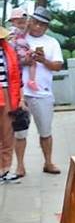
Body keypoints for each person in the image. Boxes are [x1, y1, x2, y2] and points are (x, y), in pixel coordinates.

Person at [14, 6, 63, 176]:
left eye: (42, 24)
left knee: (45, 131)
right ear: (30, 22)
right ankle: (20, 166)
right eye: (35, 22)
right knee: (20, 132)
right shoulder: (19, 39)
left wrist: (43, 60)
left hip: (43, 93)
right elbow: (12, 62)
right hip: (21, 93)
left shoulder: (52, 42)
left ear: (46, 27)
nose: (38, 26)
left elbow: (58, 65)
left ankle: (48, 162)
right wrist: (25, 61)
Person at [0, 27, 23, 181]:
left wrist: (20, 98)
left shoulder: (8, 50)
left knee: (8, 133)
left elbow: (17, 76)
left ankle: (5, 169)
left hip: (7, 93)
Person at [7, 8, 38, 92]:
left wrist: (27, 26)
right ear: (13, 22)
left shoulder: (20, 32)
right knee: (31, 62)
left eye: (23, 23)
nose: (22, 25)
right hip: (17, 53)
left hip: (22, 52)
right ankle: (31, 81)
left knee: (33, 61)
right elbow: (11, 42)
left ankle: (31, 80)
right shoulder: (13, 30)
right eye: (19, 23)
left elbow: (23, 33)